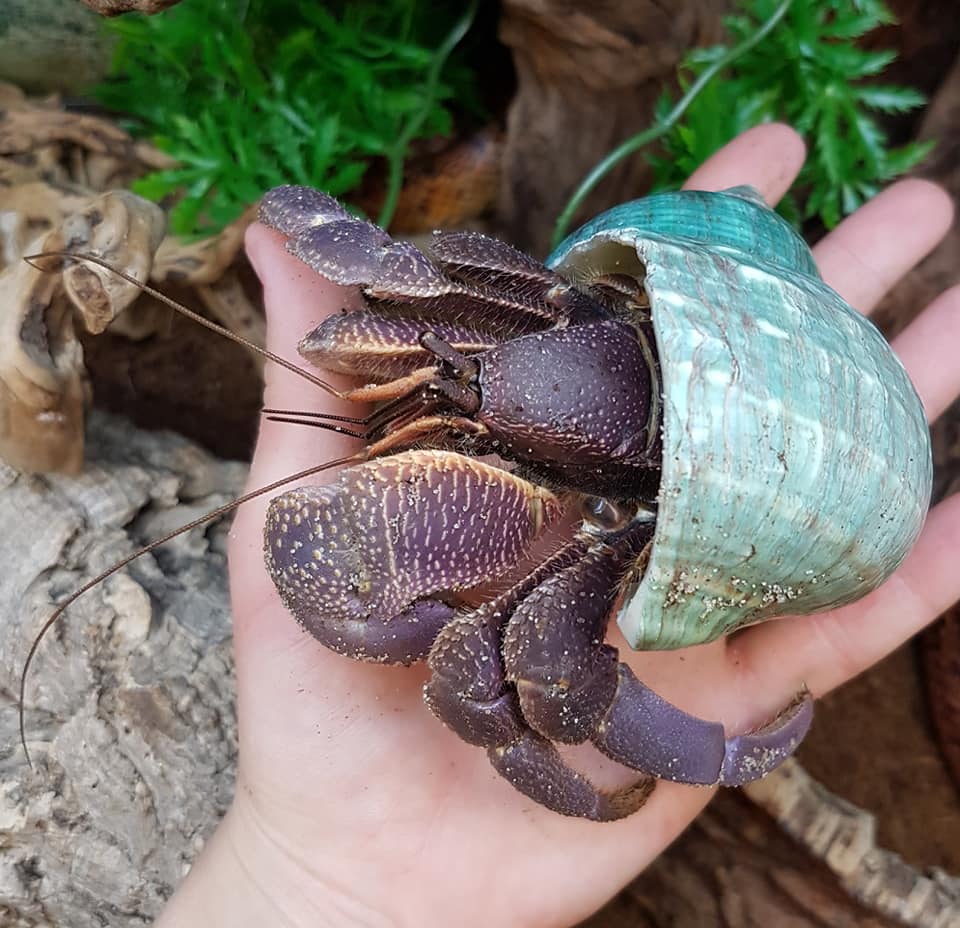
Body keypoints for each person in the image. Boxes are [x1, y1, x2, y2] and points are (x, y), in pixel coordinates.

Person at [157, 124, 960, 927]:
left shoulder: (559, 334)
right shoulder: (524, 331)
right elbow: (387, 314)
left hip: (739, 441)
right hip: (610, 348)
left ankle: (716, 754)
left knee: (515, 659)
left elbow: (507, 666)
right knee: (466, 382)